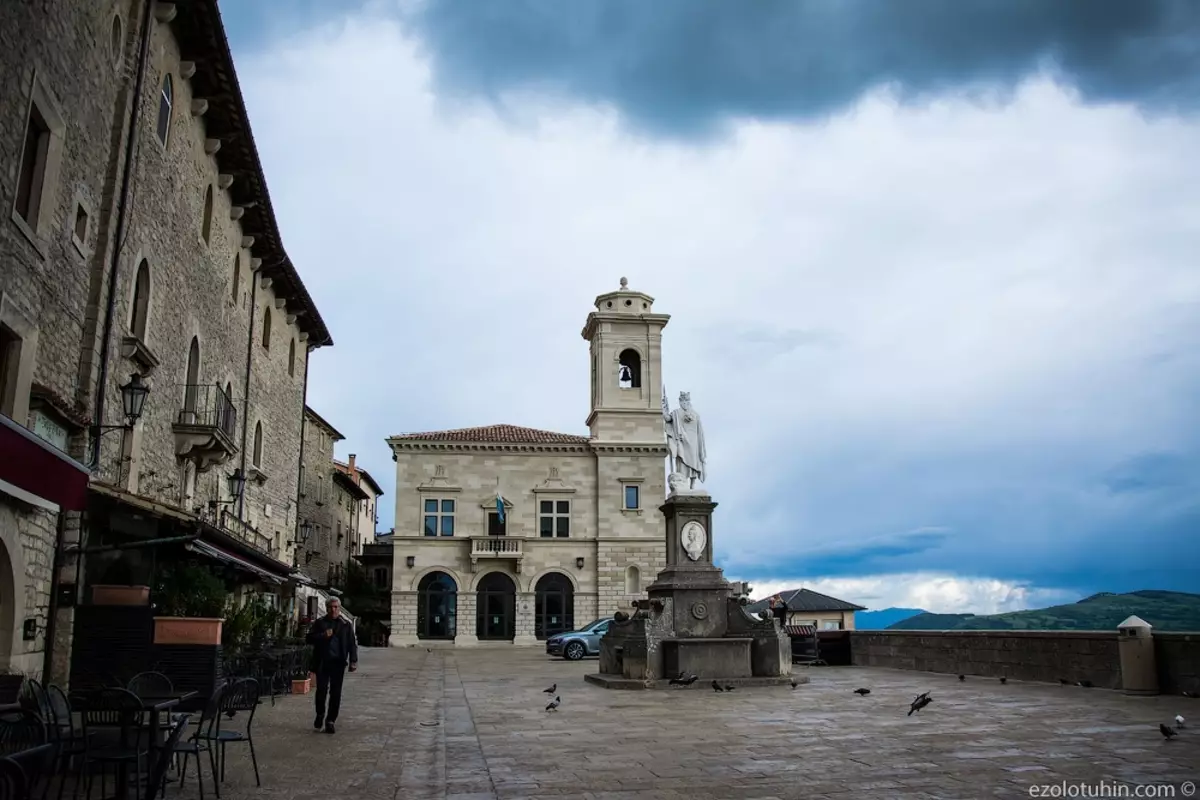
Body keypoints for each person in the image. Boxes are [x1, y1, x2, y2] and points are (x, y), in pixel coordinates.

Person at [306, 597, 357, 734]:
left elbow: (352, 644)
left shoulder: (346, 624)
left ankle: (331, 720)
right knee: (321, 691)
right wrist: (323, 635)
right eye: (330, 607)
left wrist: (353, 660)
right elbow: (309, 638)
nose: (333, 610)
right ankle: (320, 714)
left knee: (336, 693)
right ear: (327, 608)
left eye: (335, 607)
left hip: (338, 663)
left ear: (339, 608)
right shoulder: (320, 622)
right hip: (323, 662)